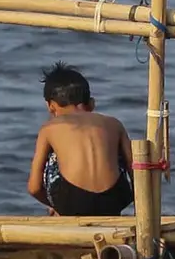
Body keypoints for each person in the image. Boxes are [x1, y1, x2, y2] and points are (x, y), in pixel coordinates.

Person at [26, 64, 133, 217]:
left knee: (53, 158)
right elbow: (137, 176)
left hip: (72, 201)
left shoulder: (49, 128)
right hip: (114, 199)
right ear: (91, 103)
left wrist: (55, 205)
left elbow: (34, 187)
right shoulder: (115, 123)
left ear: (50, 106)